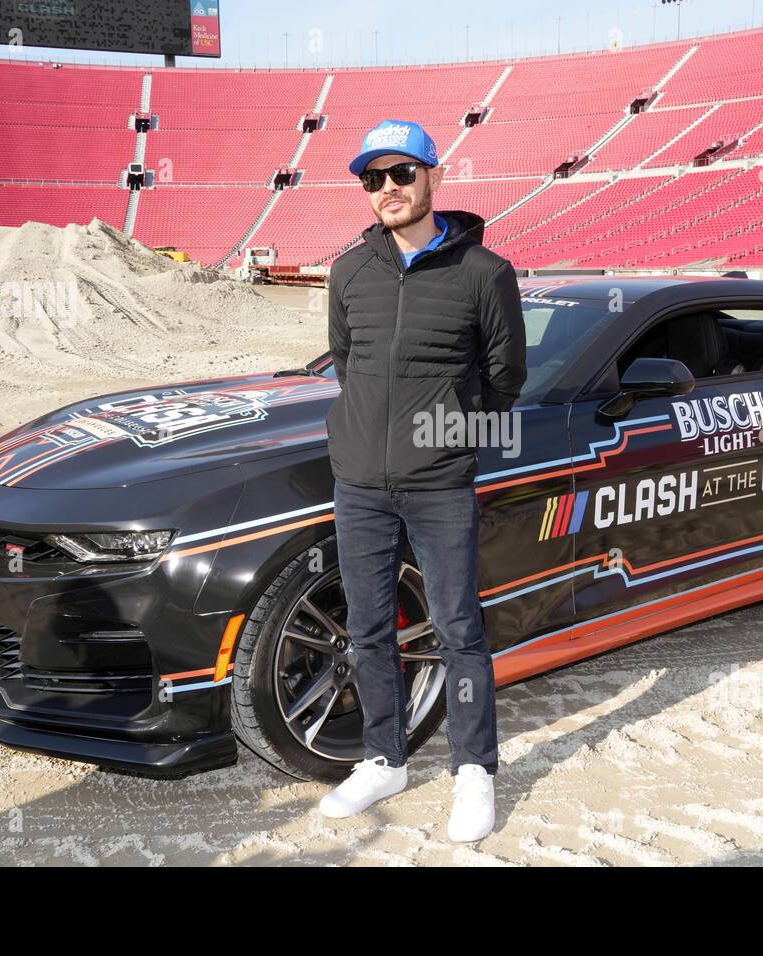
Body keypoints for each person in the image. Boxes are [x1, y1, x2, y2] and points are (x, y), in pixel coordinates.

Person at [318, 119, 526, 842]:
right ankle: (385, 757)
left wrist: (446, 443)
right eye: (372, 179)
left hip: (439, 485)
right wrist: (370, 443)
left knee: (458, 627)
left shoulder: (485, 273)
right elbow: (348, 364)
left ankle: (475, 770)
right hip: (359, 485)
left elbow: (505, 382)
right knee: (369, 628)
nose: (387, 190)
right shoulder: (349, 271)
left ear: (433, 176)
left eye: (400, 174)